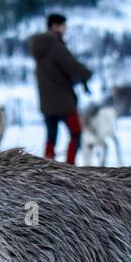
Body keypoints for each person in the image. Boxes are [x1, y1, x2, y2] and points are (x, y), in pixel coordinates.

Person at [27, 13, 92, 164]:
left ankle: (48, 169)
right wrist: (87, 73)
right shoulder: (56, 47)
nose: (65, 29)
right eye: (63, 26)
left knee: (51, 137)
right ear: (55, 26)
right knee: (76, 133)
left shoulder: (39, 48)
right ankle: (70, 166)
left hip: (46, 103)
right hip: (64, 102)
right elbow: (73, 68)